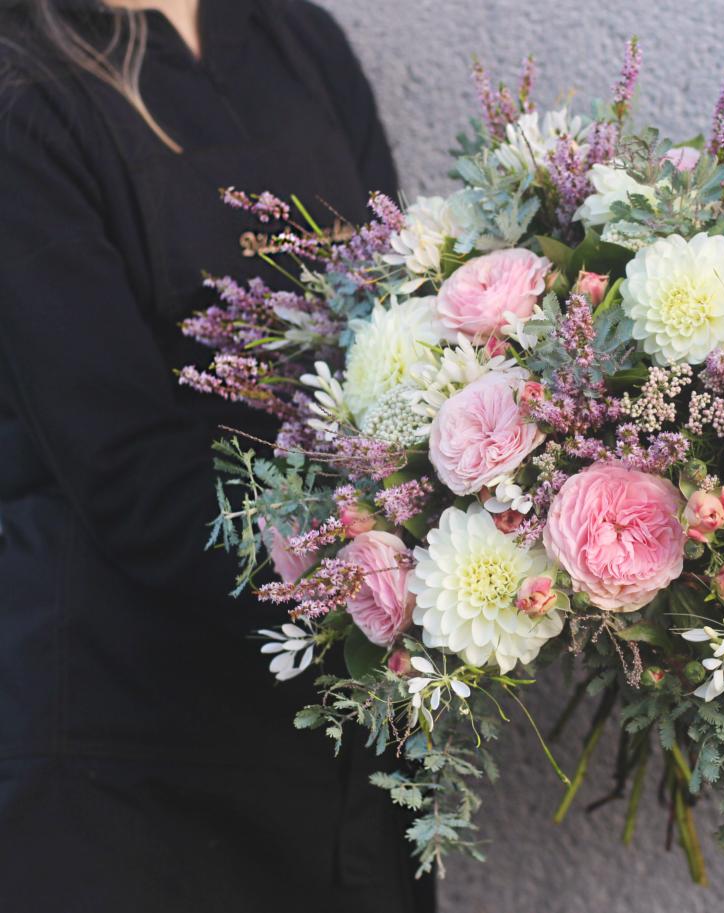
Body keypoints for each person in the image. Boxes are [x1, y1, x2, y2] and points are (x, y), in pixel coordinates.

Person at [0, 1, 434, 910]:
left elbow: (413, 328)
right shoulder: (22, 82)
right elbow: (124, 466)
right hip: (127, 761)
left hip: (350, 742)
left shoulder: (294, 36)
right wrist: (379, 568)